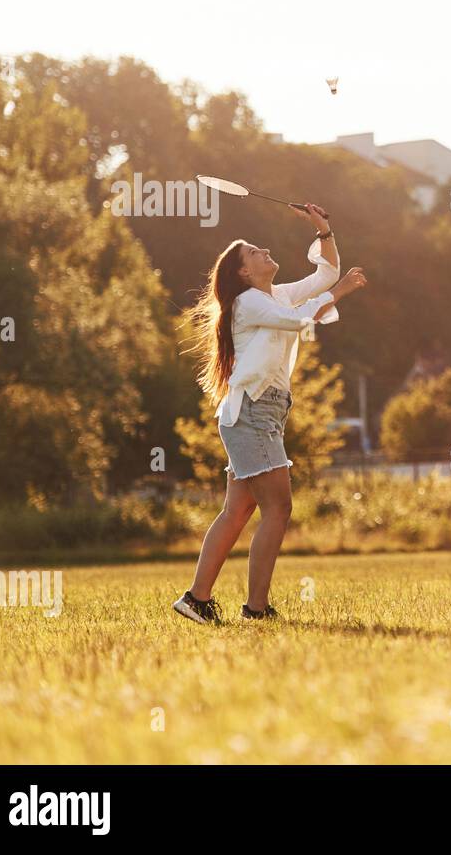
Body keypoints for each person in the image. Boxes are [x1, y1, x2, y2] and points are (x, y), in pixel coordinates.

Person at [173, 203, 367, 624]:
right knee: (278, 509)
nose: (265, 253)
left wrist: (324, 230)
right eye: (256, 253)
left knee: (239, 511)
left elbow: (325, 274)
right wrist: (340, 295)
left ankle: (196, 600)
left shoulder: (273, 295)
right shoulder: (247, 304)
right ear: (244, 273)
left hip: (261, 413)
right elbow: (300, 321)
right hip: (253, 416)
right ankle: (255, 609)